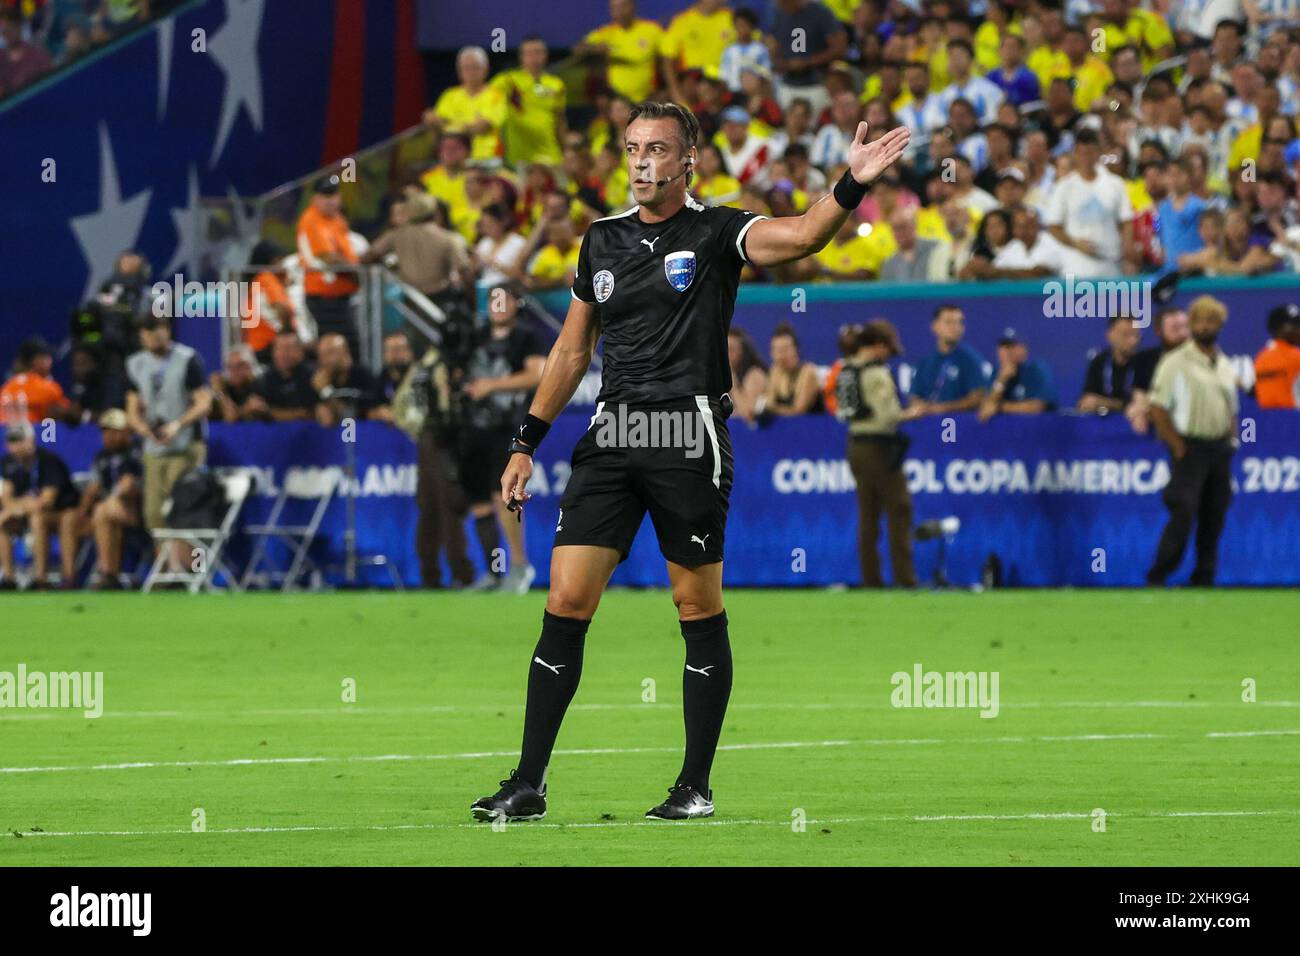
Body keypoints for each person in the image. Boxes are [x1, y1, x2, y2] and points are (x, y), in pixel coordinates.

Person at [470, 99, 909, 823]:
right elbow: (573, 350)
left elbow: (802, 236)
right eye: (633, 148)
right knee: (564, 601)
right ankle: (528, 783)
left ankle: (694, 786)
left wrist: (851, 184)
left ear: (686, 161)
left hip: (688, 436)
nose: (641, 162)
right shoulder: (599, 241)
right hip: (610, 437)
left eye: (656, 150)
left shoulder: (717, 230)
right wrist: (525, 443)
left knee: (695, 606)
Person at [459, 287, 547, 593]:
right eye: (492, 299)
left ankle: (520, 566)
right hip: (474, 427)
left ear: (516, 304)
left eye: (504, 299)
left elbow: (537, 374)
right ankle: (493, 571)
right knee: (480, 501)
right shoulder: (476, 336)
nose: (498, 305)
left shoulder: (526, 336)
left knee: (504, 494)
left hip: (508, 425)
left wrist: (491, 386)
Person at [1146, 296, 1238, 587]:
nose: (1205, 326)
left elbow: (1231, 407)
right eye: (1199, 320)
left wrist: (1232, 439)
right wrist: (1177, 446)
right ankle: (1159, 574)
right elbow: (1157, 407)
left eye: (1212, 320)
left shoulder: (1224, 363)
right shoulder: (1175, 361)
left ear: (1220, 324)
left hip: (1219, 447)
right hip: (1190, 446)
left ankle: (1204, 576)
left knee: (1215, 514)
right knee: (1183, 509)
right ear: (1192, 324)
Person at [124, 314, 212, 567]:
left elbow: (203, 402)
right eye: (148, 330)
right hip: (154, 448)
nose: (155, 335)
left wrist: (178, 424)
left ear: (168, 330)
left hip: (186, 446)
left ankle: (185, 572)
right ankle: (166, 571)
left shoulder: (187, 359)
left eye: (159, 329)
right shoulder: (135, 364)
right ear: (141, 335)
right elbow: (132, 408)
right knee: (153, 513)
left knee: (180, 511)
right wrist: (144, 430)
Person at [835, 320, 916, 589]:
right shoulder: (877, 373)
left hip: (855, 445)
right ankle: (905, 580)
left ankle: (871, 580)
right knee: (899, 509)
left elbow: (842, 411)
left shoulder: (846, 369)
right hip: (878, 447)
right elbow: (888, 418)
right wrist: (912, 413)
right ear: (880, 346)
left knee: (868, 515)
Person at [0, 421, 80, 590]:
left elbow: (47, 501)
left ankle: (41, 578)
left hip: (59, 512)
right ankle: (8, 578)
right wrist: (18, 507)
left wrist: (18, 507)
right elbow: (5, 497)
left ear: (30, 440)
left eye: (20, 440)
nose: (16, 446)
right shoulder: (8, 463)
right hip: (29, 513)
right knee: (4, 522)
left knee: (38, 520)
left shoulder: (47, 460)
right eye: (12, 441)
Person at [75, 409, 143, 590]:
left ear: (126, 432)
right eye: (105, 432)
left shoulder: (137, 451)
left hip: (139, 511)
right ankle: (109, 574)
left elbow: (131, 486)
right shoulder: (102, 457)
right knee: (102, 514)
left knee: (103, 510)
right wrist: (82, 514)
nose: (108, 436)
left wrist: (116, 496)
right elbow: (93, 487)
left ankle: (108, 573)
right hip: (112, 512)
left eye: (114, 432)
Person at [297, 174, 361, 360]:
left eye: (333, 194)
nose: (330, 200)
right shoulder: (312, 219)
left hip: (339, 295)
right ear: (315, 198)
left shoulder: (337, 220)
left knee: (346, 346)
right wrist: (358, 273)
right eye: (325, 195)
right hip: (324, 296)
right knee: (339, 347)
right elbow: (329, 257)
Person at [907, 304, 989, 417]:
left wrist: (941, 408)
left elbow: (977, 398)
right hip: (929, 425)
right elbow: (914, 395)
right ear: (934, 326)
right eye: (949, 322)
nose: (955, 327)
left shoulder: (971, 359)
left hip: (959, 426)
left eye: (959, 322)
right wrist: (920, 406)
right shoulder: (925, 361)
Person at [977, 329, 1058, 421]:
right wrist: (1001, 380)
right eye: (1003, 347)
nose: (1007, 352)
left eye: (1012, 347)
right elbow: (984, 410)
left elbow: (1037, 406)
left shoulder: (1035, 369)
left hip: (1040, 430)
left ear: (1024, 350)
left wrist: (1000, 407)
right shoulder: (996, 374)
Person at [312, 334, 387, 427]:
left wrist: (326, 391)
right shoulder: (320, 380)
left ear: (345, 351)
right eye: (321, 355)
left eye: (329, 353)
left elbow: (349, 417)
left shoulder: (363, 377)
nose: (324, 360)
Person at [249, 331, 317, 422]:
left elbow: (310, 413)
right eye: (279, 348)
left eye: (288, 349)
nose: (283, 354)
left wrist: (272, 412)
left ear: (300, 352)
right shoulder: (265, 379)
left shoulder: (313, 376)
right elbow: (257, 410)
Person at [1, 337, 72, 425]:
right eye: (46, 357)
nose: (50, 361)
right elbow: (70, 414)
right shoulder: (47, 387)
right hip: (33, 435)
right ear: (36, 360)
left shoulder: (7, 386)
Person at [1079, 316, 1142, 413]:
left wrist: (1107, 403)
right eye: (1126, 335)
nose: (1133, 341)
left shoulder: (1145, 363)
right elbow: (1088, 398)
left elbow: (1143, 404)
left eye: (1136, 335)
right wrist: (1088, 403)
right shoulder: (1099, 362)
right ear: (1110, 335)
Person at [761, 323, 822, 416]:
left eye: (785, 349)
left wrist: (771, 410)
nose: (780, 355)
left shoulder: (808, 372)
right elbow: (769, 403)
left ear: (796, 350)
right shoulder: (775, 372)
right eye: (776, 350)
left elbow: (798, 411)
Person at [1253, 303, 1300, 410]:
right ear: (1278, 328)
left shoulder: (1260, 358)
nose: (1299, 329)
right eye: (1295, 325)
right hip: (1295, 421)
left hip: (1266, 423)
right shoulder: (1296, 357)